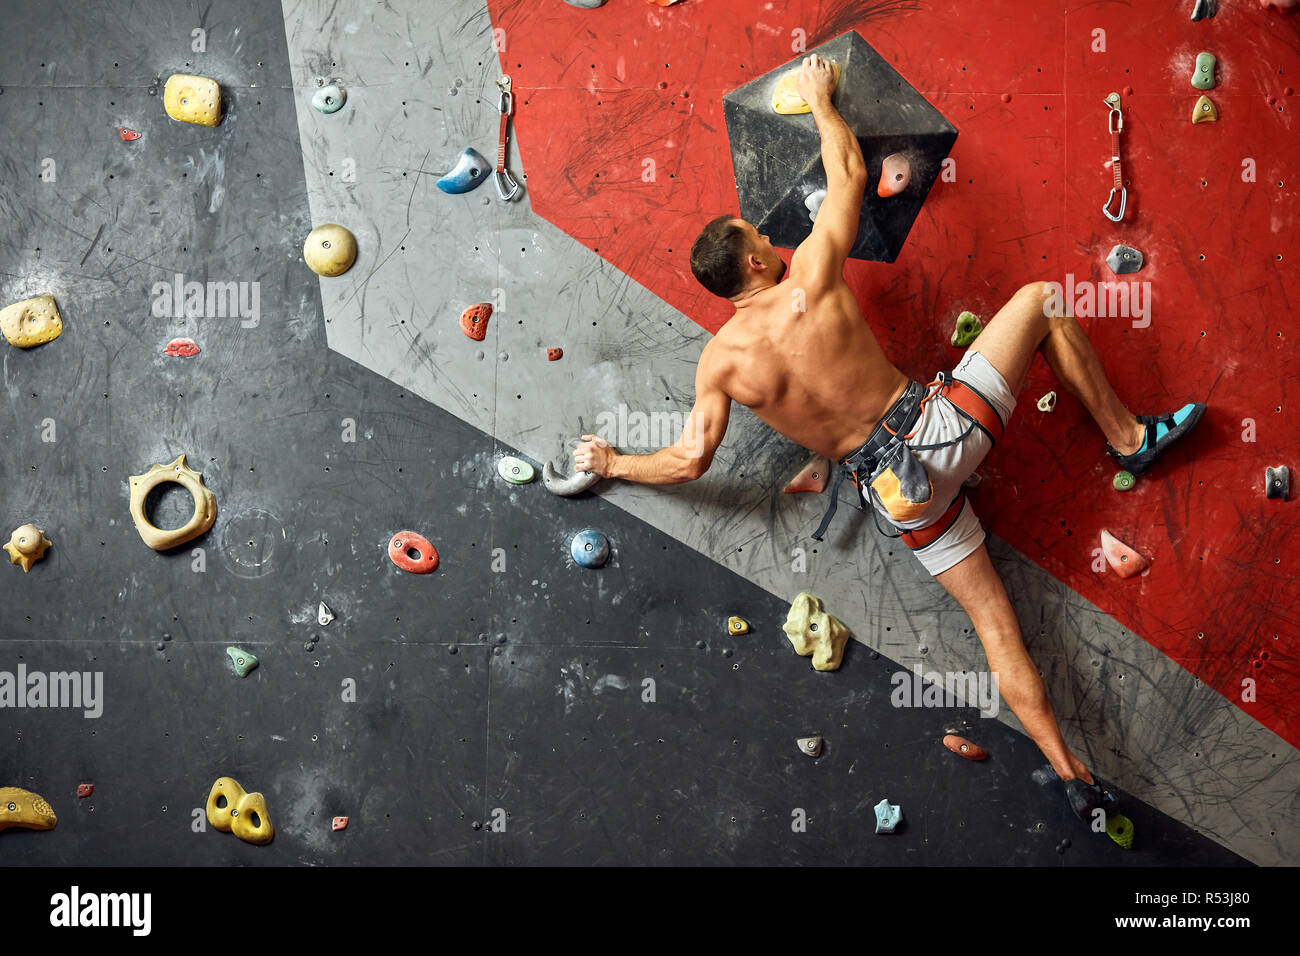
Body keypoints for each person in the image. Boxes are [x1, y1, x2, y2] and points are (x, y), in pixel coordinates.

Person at [571, 54, 1204, 827]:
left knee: (994, 625)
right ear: (756, 259)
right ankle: (1130, 437)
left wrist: (612, 462)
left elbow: (688, 459)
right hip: (939, 428)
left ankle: (1073, 775)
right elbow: (845, 178)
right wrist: (821, 99)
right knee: (1041, 300)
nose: (769, 237)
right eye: (757, 236)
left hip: (898, 496)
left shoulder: (720, 364)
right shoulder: (806, 274)